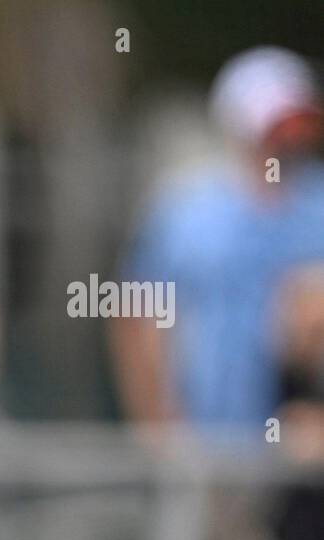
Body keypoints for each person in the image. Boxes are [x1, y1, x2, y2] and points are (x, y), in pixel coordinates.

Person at [113, 46, 324, 436]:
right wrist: (156, 427)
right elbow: (136, 319)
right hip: (206, 439)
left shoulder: (317, 206)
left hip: (301, 453)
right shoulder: (185, 211)